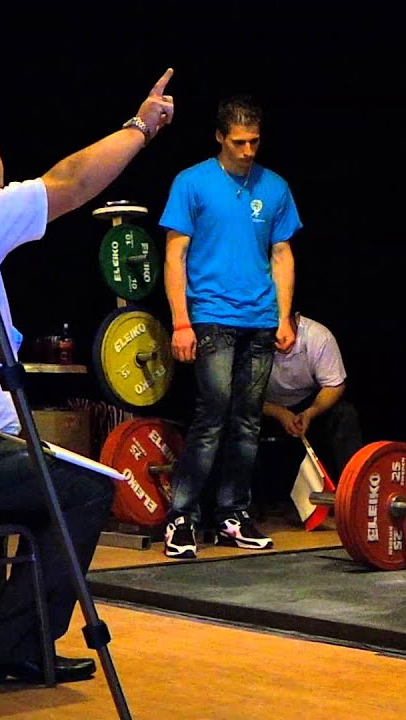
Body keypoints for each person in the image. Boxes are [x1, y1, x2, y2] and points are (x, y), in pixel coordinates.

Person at [0, 70, 175, 683]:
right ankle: (13, 643)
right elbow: (70, 183)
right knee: (85, 486)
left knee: (0, 454)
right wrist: (141, 126)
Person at [161, 94, 302, 559]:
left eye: (254, 142)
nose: (248, 151)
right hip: (211, 317)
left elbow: (282, 254)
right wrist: (181, 321)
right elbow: (175, 254)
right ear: (220, 137)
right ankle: (181, 517)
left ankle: (233, 516)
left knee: (246, 423)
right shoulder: (192, 182)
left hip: (260, 318)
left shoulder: (275, 186)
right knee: (211, 415)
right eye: (239, 142)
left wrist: (283, 315)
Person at [259, 312, 363, 502]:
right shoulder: (252, 338)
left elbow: (334, 384)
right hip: (263, 406)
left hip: (307, 403)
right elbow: (239, 394)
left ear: (296, 318)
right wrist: (279, 413)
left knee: (344, 414)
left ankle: (352, 496)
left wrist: (311, 413)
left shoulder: (318, 336)